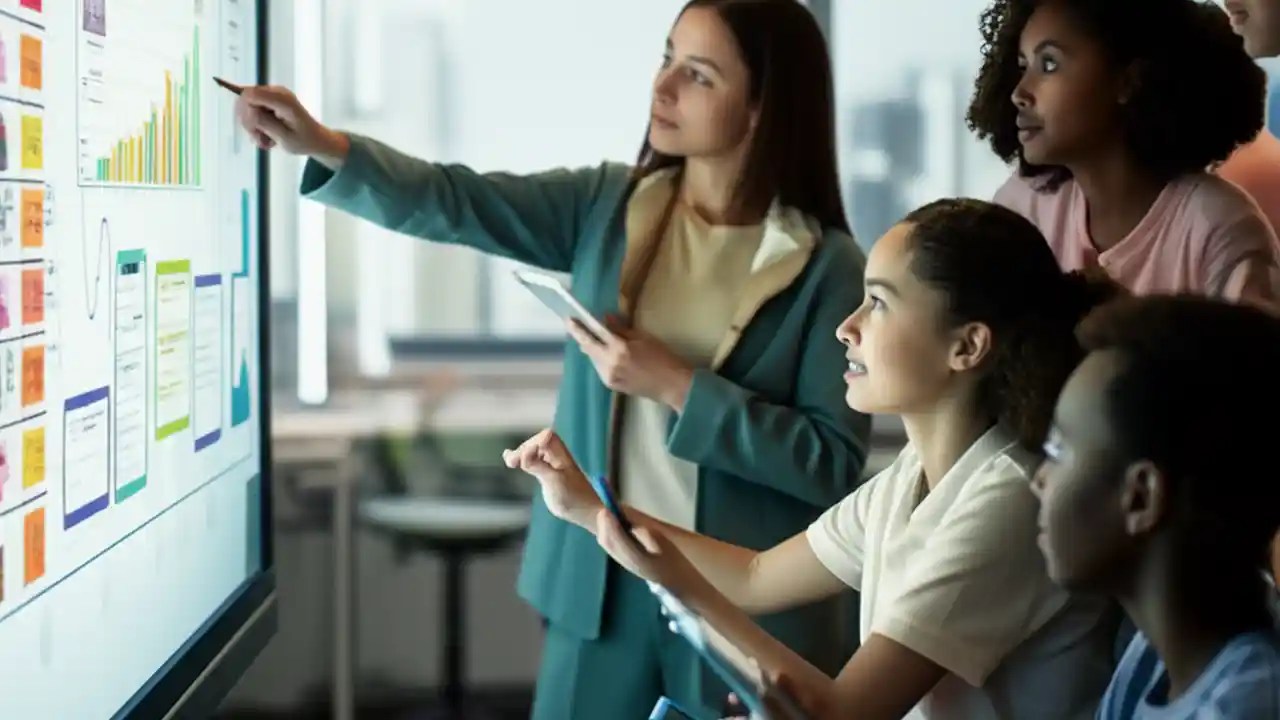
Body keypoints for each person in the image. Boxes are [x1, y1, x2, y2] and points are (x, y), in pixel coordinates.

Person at [234, 1, 868, 717]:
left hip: (742, 611)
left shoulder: (831, 270)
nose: (662, 87)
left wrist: (675, 385)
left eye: (698, 75)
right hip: (600, 586)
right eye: (667, 58)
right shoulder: (607, 204)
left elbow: (830, 464)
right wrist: (323, 144)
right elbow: (455, 200)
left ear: (762, 107)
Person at [507, 198, 1123, 719]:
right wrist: (587, 509)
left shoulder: (1008, 498)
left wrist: (682, 588)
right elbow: (754, 577)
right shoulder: (910, 479)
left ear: (967, 346)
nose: (847, 328)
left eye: (878, 303)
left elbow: (843, 714)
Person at [1032, 295, 1280, 718]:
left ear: (1141, 497)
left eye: (1058, 449)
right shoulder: (1150, 658)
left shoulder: (1244, 706)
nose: (1038, 479)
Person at [967, 0, 1280, 309]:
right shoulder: (1024, 205)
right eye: (1023, 67)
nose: (1019, 93)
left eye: (1049, 64)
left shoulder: (1218, 229)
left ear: (1128, 81)